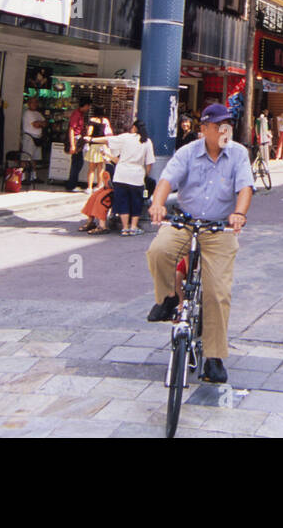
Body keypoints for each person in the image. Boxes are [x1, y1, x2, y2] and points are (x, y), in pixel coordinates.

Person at [146, 103, 251, 385]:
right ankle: (169, 298)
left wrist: (239, 213)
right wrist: (157, 204)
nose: (223, 130)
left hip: (220, 227)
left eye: (226, 125)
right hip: (186, 221)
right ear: (203, 129)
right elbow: (167, 180)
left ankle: (214, 358)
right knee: (159, 250)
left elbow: (245, 188)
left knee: (217, 293)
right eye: (217, 126)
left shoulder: (239, 154)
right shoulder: (188, 152)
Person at [89, 119, 155, 236]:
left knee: (123, 201)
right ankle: (133, 227)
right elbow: (149, 163)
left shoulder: (126, 137)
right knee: (136, 202)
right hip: (137, 176)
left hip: (121, 175)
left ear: (134, 128)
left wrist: (91, 139)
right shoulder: (147, 142)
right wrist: (145, 175)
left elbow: (107, 139)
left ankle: (125, 228)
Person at [64, 96, 91, 192]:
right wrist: (72, 145)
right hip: (75, 139)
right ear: (86, 105)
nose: (89, 108)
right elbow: (72, 129)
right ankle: (71, 184)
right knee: (77, 163)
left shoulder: (80, 114)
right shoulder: (76, 114)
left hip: (77, 139)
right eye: (88, 106)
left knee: (77, 162)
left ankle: (72, 183)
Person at [83, 108, 112, 196]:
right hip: (102, 146)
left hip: (94, 144)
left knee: (91, 169)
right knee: (101, 168)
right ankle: (99, 186)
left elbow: (89, 132)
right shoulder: (105, 121)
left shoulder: (92, 120)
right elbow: (108, 133)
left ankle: (89, 187)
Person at [21, 97, 45, 176]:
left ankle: (33, 176)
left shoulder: (38, 113)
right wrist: (40, 123)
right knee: (26, 157)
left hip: (38, 137)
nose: (34, 104)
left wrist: (40, 123)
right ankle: (22, 177)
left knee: (34, 158)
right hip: (29, 137)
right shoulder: (27, 113)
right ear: (28, 103)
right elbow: (36, 125)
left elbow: (45, 123)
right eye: (32, 102)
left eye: (36, 102)